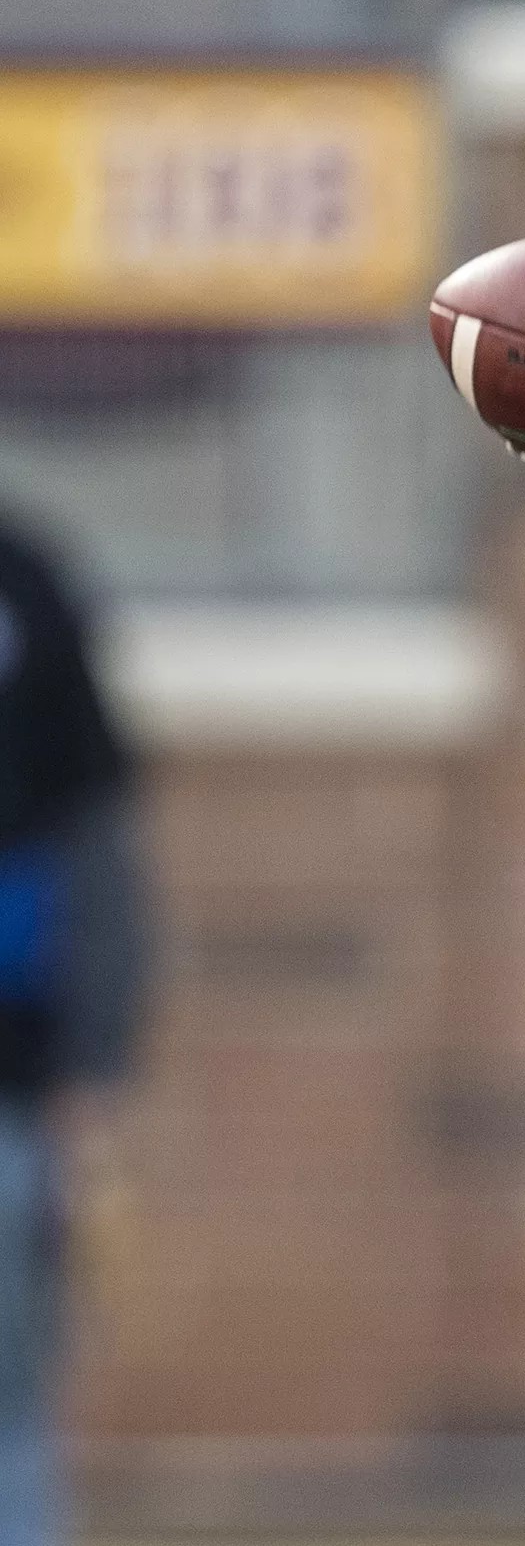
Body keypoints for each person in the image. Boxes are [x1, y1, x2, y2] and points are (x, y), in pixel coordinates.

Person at [0, 515, 148, 1546]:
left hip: (8, 1090)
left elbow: (96, 839)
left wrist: (89, 1075)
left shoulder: (25, 585)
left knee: (11, 1412)